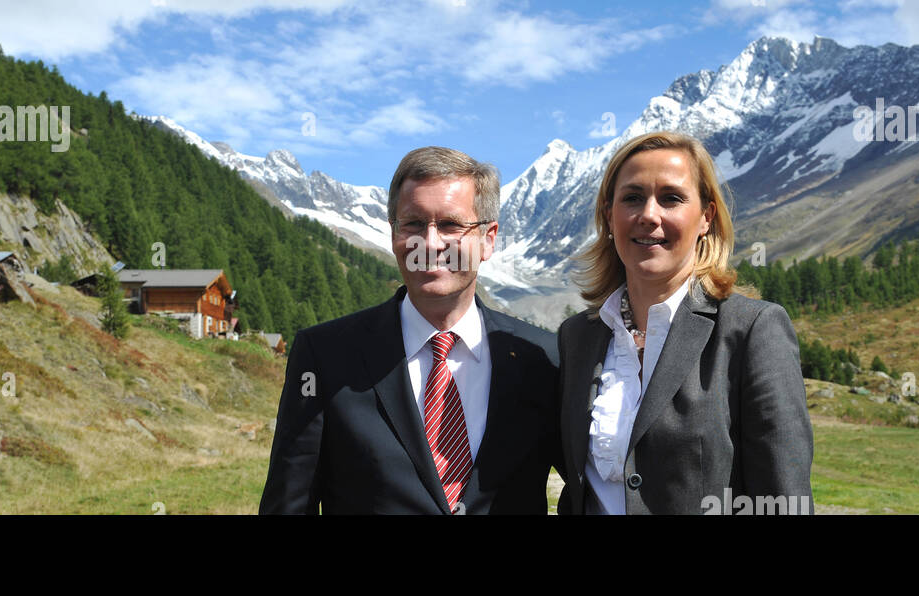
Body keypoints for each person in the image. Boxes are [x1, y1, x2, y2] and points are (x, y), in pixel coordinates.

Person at [260, 146, 559, 515]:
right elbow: (289, 504)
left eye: (450, 224)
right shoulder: (324, 355)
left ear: (488, 239)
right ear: (394, 234)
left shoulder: (544, 358)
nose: (430, 243)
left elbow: (595, 488)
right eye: (414, 224)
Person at [557, 132, 813, 515]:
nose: (648, 215)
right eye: (632, 198)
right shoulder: (576, 337)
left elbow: (782, 497)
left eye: (671, 198)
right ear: (609, 215)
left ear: (706, 218)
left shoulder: (753, 329)